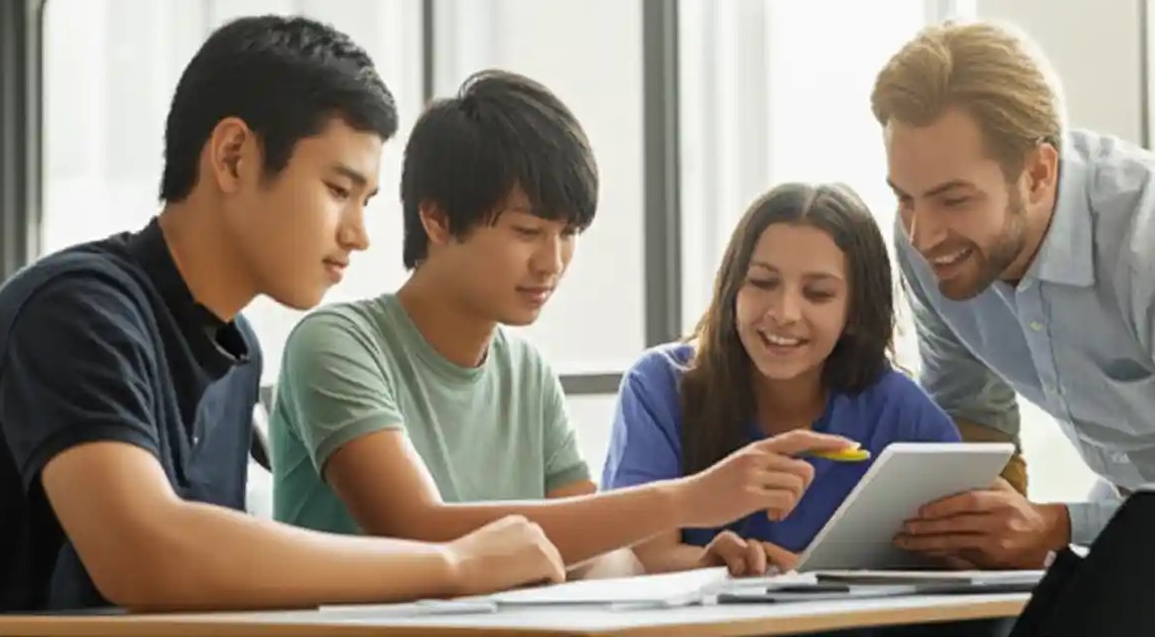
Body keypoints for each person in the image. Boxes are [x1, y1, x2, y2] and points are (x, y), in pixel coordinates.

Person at [0, 15, 569, 636]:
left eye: (366, 202)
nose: (358, 233)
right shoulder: (76, 310)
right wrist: (451, 564)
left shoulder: (236, 347)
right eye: (337, 190)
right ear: (234, 156)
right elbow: (146, 553)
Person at [268, 72, 856, 577]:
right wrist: (691, 499)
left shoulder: (527, 374)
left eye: (568, 234)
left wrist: (692, 567)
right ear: (438, 220)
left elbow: (597, 558)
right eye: (528, 232)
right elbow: (420, 528)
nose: (552, 262)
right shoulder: (337, 344)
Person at [875, 18, 1155, 569]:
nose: (923, 235)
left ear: (1038, 173)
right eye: (905, 198)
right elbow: (970, 413)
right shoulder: (929, 246)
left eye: (954, 199)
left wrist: (1057, 527)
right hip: (1132, 523)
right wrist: (971, 532)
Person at [600, 182, 961, 577]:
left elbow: (959, 556)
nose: (785, 312)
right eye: (762, 283)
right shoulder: (660, 386)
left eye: (818, 293)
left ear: (855, 311)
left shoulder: (900, 410)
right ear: (732, 287)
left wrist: (812, 575)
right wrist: (712, 565)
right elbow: (637, 557)